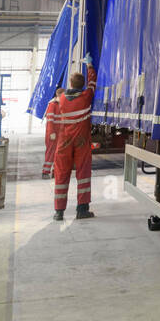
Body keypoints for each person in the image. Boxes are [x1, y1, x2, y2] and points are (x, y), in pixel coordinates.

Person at [52, 56, 95, 221]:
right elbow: (92, 83)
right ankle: (82, 209)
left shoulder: (62, 99)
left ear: (70, 85)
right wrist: (90, 65)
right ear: (82, 85)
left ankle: (59, 211)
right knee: (83, 173)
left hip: (64, 141)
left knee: (61, 174)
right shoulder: (85, 97)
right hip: (81, 140)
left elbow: (64, 91)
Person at [41, 87, 63, 179]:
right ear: (58, 95)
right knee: (50, 153)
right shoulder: (52, 105)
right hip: (52, 134)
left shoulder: (61, 104)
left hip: (59, 134)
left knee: (58, 154)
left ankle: (55, 172)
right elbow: (50, 120)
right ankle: (45, 172)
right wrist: (51, 133)